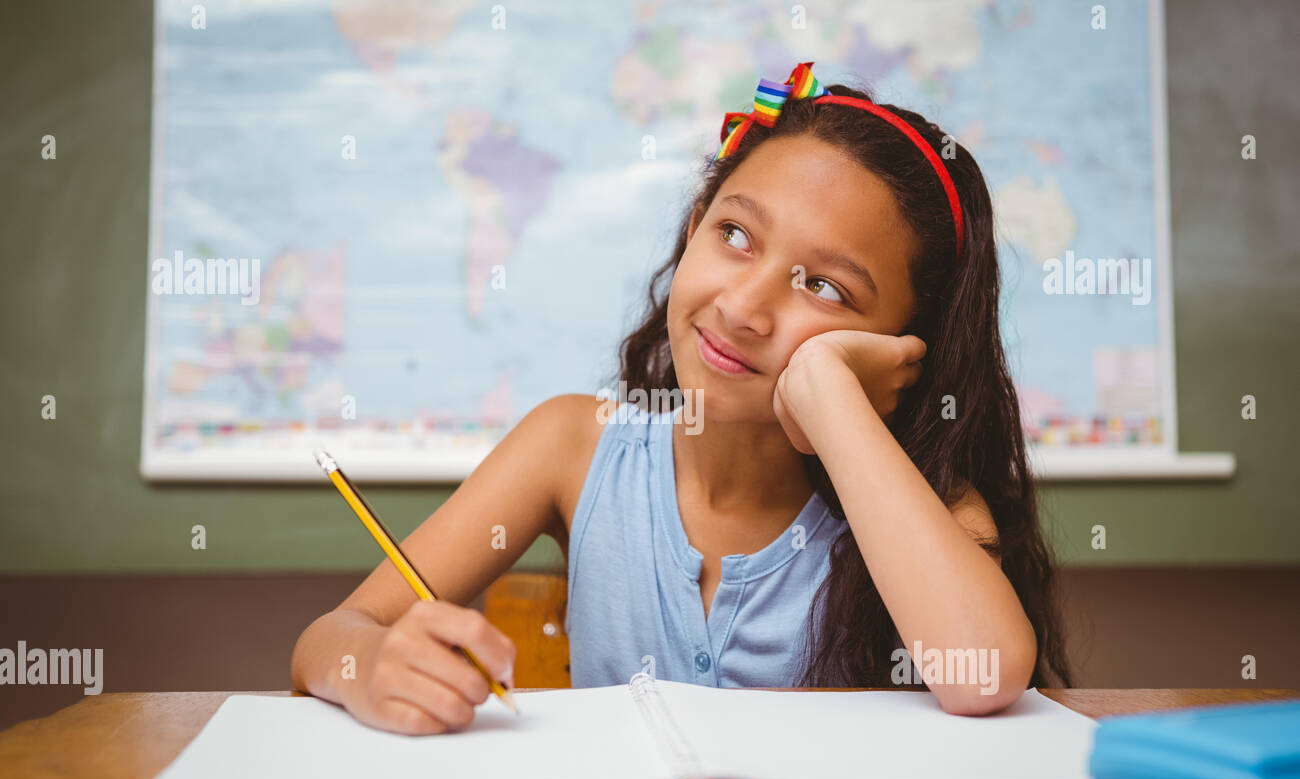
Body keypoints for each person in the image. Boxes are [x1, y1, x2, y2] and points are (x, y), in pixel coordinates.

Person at [290, 62, 1073, 735]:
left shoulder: (930, 508)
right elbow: (329, 638)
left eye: (826, 286)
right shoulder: (575, 445)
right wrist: (370, 666)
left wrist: (829, 396)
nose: (743, 306)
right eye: (735, 235)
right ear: (696, 224)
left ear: (903, 348)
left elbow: (985, 674)